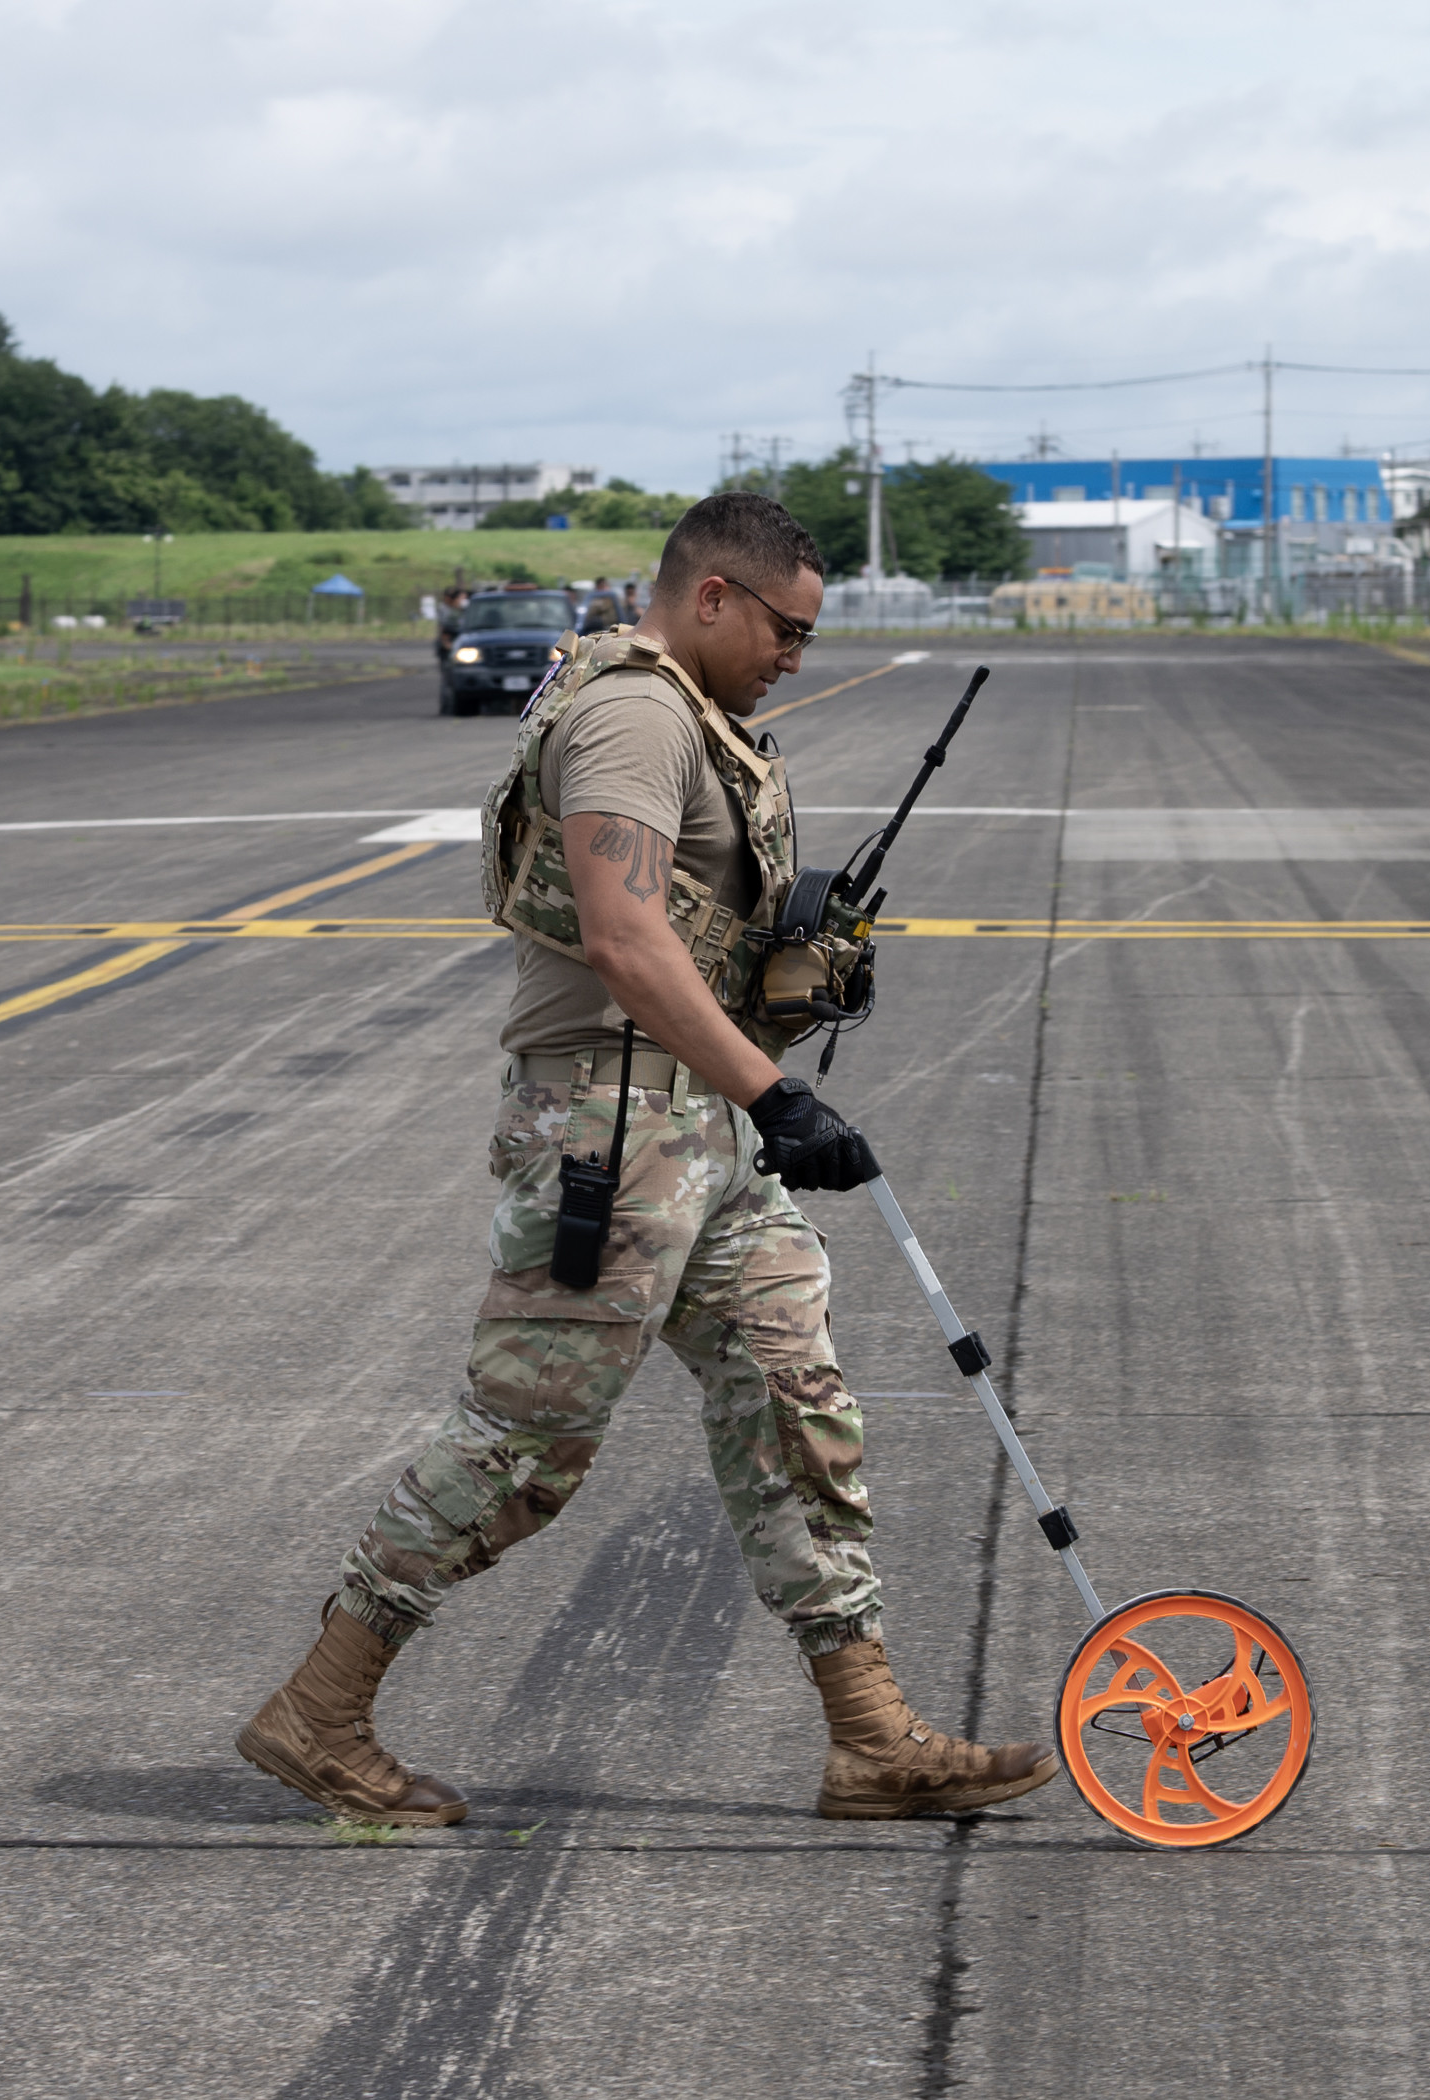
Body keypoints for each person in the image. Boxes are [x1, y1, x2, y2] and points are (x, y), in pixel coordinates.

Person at [236, 492, 1056, 1827]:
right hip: (610, 1135)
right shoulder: (632, 715)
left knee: (795, 1404)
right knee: (529, 1442)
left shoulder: (698, 717)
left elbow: (686, 934)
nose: (795, 656)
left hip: (704, 1126)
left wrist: (794, 971)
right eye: (785, 629)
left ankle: (870, 1737)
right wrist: (774, 1091)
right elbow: (622, 938)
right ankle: (319, 1709)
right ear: (713, 596)